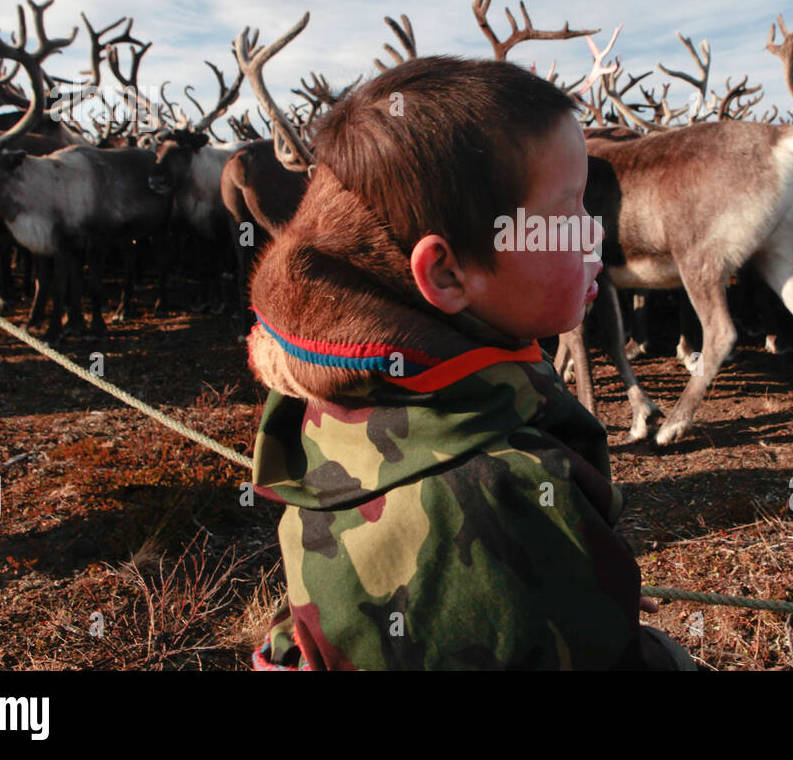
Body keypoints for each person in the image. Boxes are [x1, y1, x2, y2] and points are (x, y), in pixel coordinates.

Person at [246, 55, 694, 670]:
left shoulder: (324, 397)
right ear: (447, 273)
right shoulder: (509, 497)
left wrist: (576, 591)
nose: (596, 236)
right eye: (568, 214)